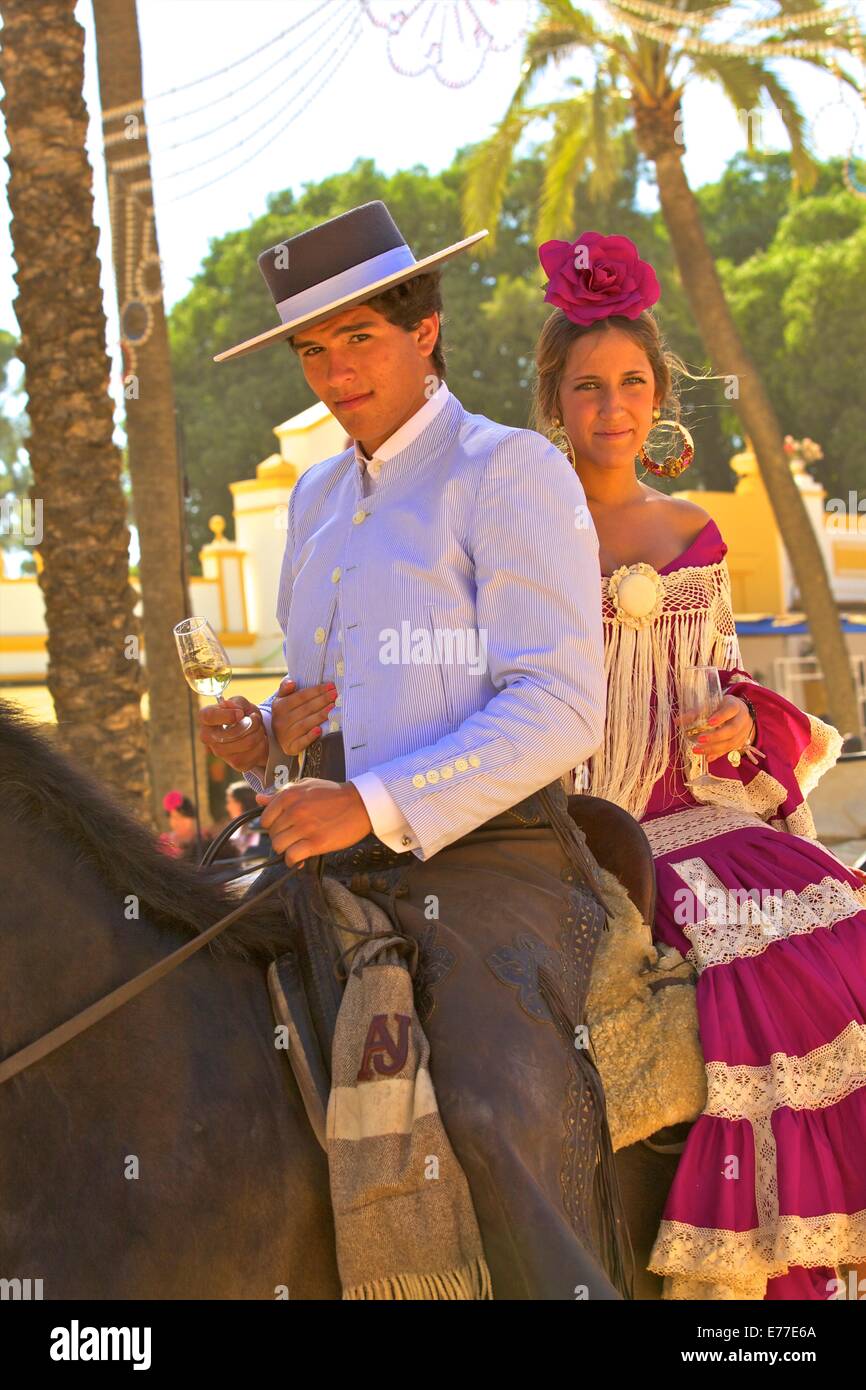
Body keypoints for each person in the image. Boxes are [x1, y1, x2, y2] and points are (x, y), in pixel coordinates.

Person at [197, 200, 625, 1299]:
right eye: (310, 349)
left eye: (357, 339)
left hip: (491, 861)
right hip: (334, 858)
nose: (331, 372)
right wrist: (267, 748)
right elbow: (325, 714)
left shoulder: (509, 470)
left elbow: (565, 705)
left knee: (479, 1103)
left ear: (423, 329)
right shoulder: (315, 496)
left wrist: (372, 800)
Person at [531, 228, 866, 1300]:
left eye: (631, 381)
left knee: (840, 947)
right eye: (587, 385)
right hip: (589, 832)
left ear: (659, 395)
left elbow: (721, 678)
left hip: (702, 818)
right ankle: (748, 1283)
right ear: (554, 400)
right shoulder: (521, 532)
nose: (611, 405)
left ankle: (817, 1273)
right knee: (758, 981)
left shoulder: (694, 532)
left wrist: (727, 718)